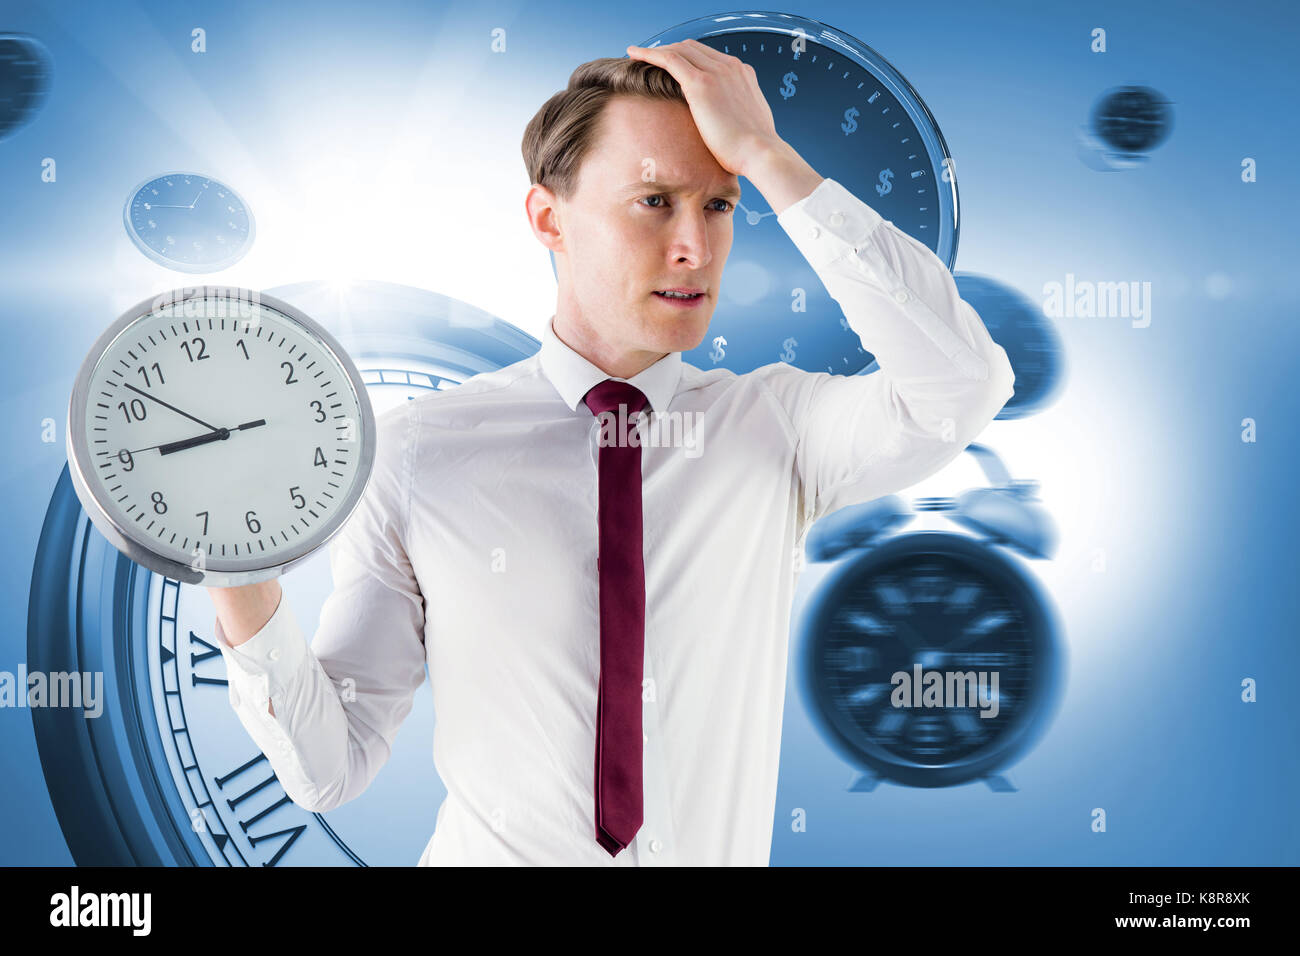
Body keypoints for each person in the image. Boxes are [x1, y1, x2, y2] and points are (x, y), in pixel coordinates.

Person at [209, 39, 1015, 866]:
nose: (695, 247)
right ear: (549, 219)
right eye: (654, 201)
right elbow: (330, 766)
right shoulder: (419, 454)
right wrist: (231, 562)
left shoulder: (776, 428)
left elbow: (962, 384)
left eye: (720, 205)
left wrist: (767, 156)